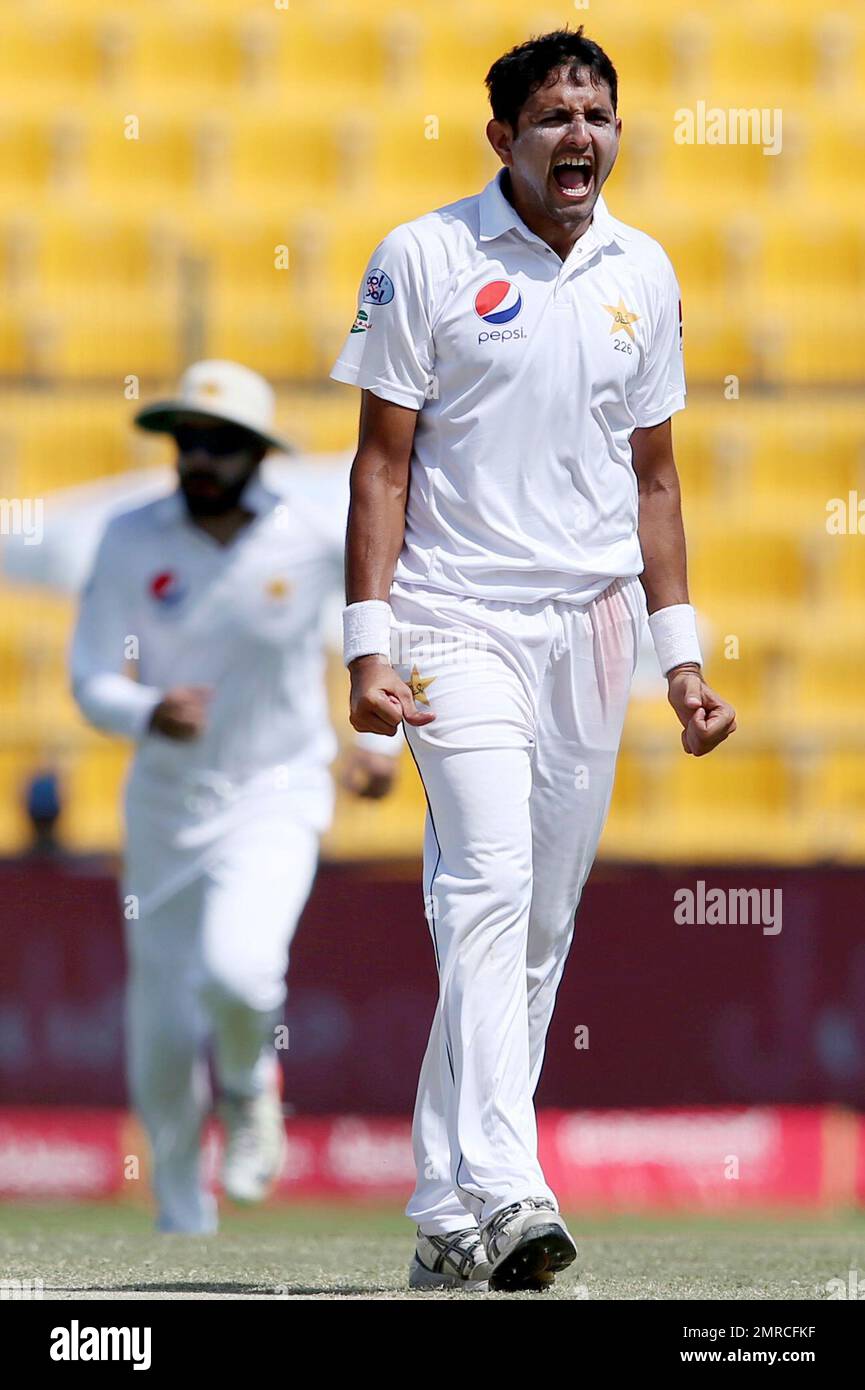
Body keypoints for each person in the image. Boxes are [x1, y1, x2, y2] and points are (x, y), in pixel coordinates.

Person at [331, 28, 736, 1292]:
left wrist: (680, 659)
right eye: (555, 116)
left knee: (536, 929)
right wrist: (368, 644)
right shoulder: (427, 256)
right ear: (500, 136)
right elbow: (380, 465)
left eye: (599, 115)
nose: (582, 136)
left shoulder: (644, 272)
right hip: (455, 618)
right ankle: (511, 1190)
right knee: (488, 890)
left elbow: (656, 478)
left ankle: (444, 1205)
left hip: (593, 626)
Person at [71, 359, 402, 1234]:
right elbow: (90, 676)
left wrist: (374, 741)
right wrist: (149, 710)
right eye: (190, 441)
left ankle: (253, 1087)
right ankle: (183, 1225)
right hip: (167, 809)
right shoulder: (130, 537)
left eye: (223, 444)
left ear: (257, 454)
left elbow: (367, 635)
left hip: (278, 790)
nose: (203, 459)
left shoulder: (307, 534)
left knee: (240, 971)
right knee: (164, 1036)